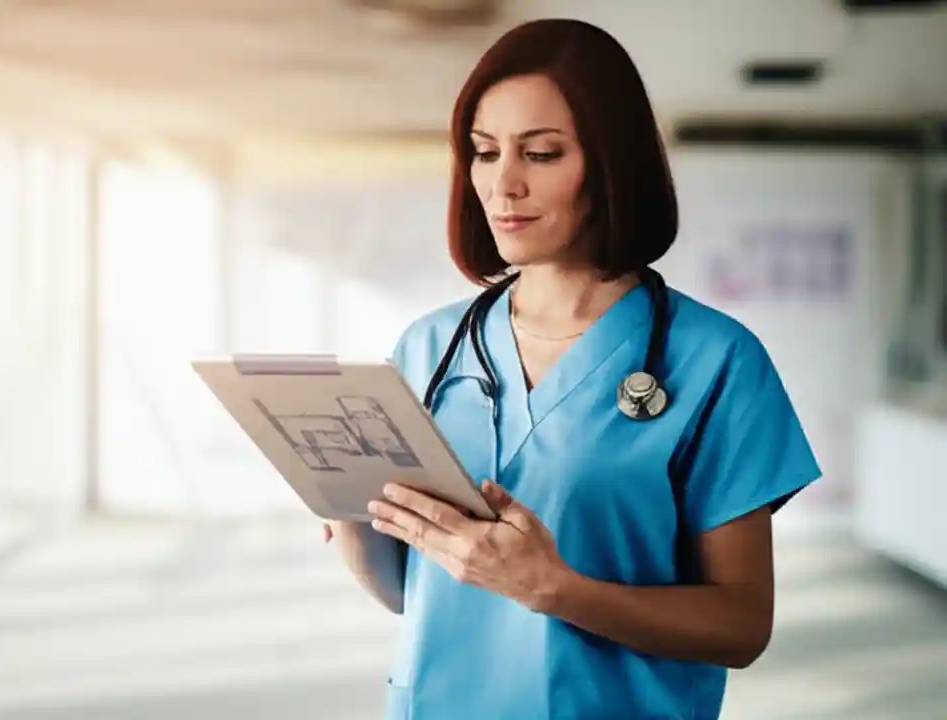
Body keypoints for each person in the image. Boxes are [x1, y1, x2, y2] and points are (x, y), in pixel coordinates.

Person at [323, 18, 821, 719]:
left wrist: (554, 589)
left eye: (541, 154)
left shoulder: (715, 360)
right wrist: (347, 515)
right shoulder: (429, 349)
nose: (504, 184)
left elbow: (740, 627)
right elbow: (415, 592)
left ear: (612, 164)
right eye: (485, 152)